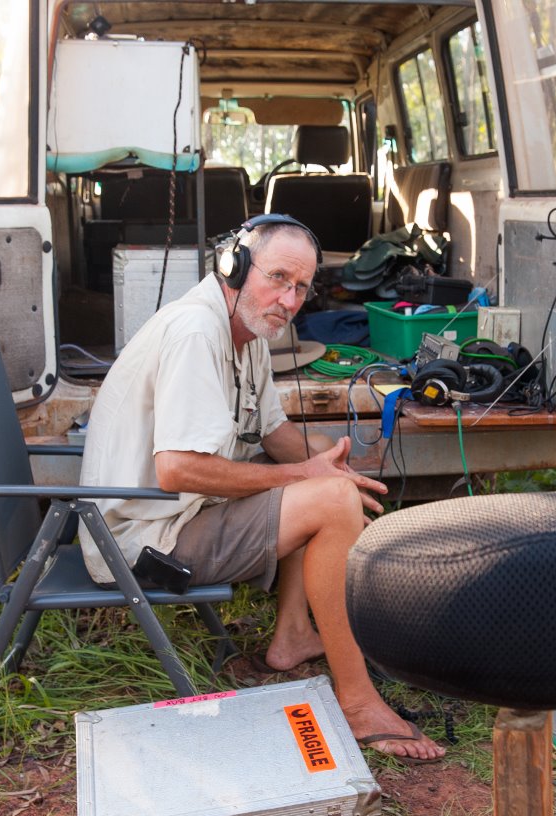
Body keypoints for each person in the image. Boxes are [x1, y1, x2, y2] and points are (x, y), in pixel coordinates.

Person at [79, 214, 445, 763]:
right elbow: (177, 470)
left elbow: (273, 434)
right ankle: (358, 704)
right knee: (327, 498)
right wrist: (310, 478)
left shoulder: (246, 330)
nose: (289, 300)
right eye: (277, 278)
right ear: (234, 266)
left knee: (322, 476)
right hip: (140, 541)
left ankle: (293, 634)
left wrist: (325, 461)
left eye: (301, 287)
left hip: (178, 516)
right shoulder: (196, 332)